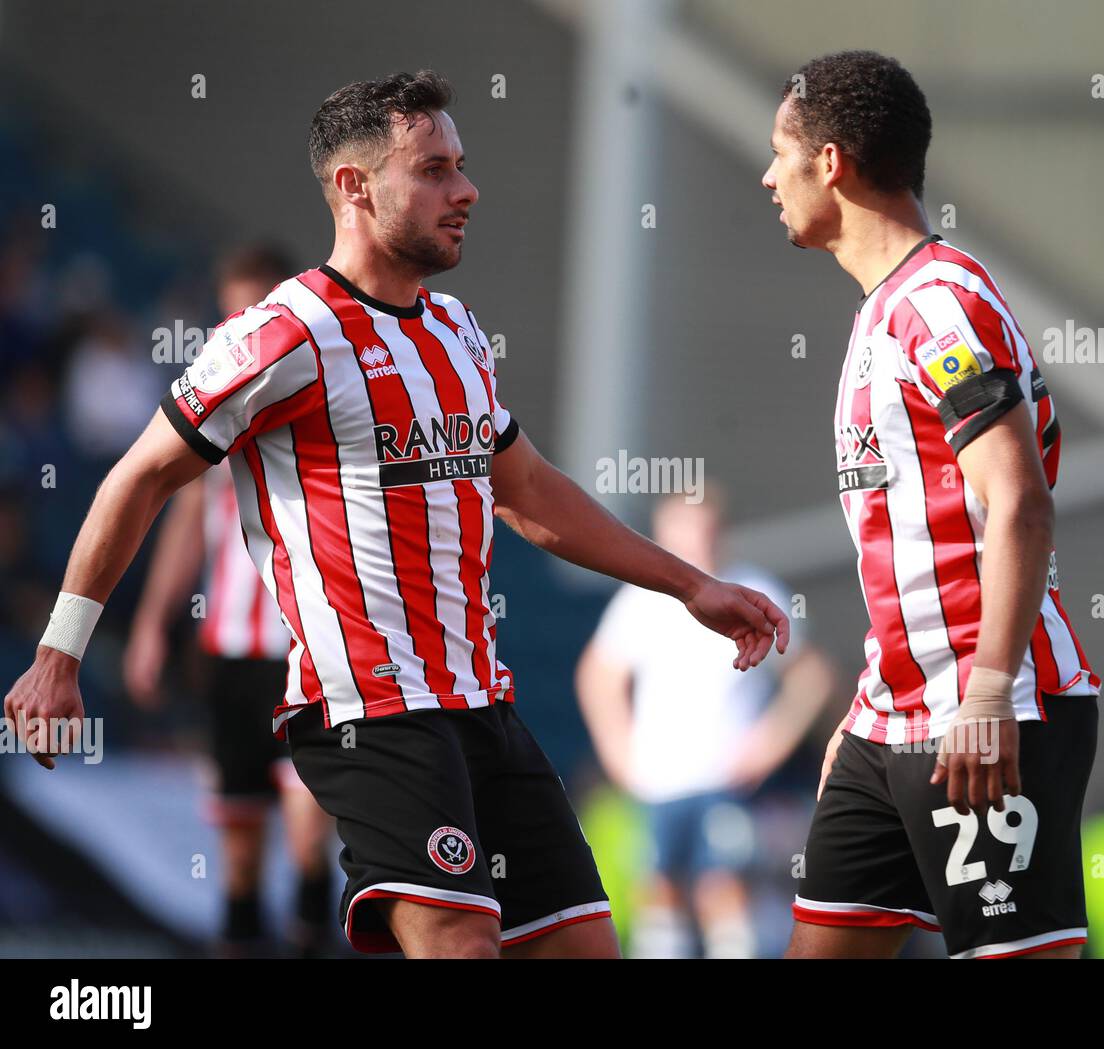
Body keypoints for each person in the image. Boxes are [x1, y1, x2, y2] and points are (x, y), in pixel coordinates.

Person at [4, 70, 787, 960]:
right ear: (354, 186)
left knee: (582, 950)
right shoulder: (285, 334)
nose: (466, 189)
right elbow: (139, 475)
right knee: (456, 945)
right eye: (435, 169)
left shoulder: (454, 330)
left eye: (461, 165)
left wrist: (690, 586)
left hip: (485, 709)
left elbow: (529, 493)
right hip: (372, 714)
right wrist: (61, 651)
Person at [761, 51, 1100, 960]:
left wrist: (988, 690)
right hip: (890, 715)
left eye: (779, 154)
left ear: (829, 163)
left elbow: (1020, 504)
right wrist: (867, 706)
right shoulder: (881, 313)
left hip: (992, 707)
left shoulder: (940, 307)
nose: (767, 177)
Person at [123, 244, 335, 958]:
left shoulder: (315, 396)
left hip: (306, 653)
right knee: (240, 844)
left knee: (310, 827)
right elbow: (184, 518)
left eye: (255, 305)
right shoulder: (209, 407)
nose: (241, 322)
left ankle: (310, 940)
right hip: (230, 652)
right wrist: (154, 622)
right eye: (231, 308)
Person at [577, 491, 834, 958]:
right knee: (660, 892)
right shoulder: (641, 600)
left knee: (724, 888)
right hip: (658, 781)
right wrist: (617, 749)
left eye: (704, 528)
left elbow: (812, 678)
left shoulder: (753, 590)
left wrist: (770, 743)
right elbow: (598, 675)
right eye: (683, 530)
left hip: (724, 779)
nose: (695, 541)